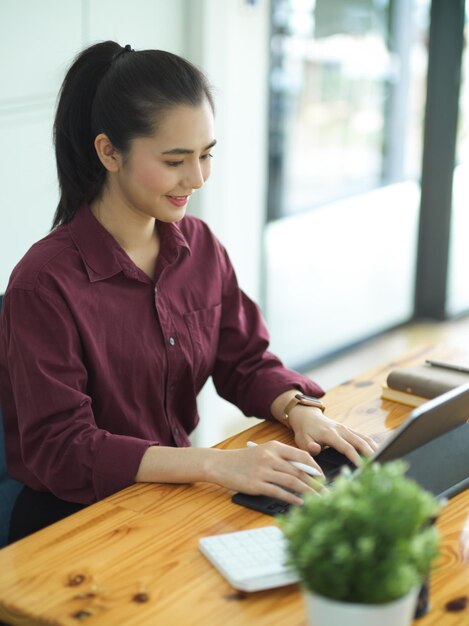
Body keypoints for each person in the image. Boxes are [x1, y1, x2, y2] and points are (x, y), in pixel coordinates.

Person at [0, 41, 376, 543]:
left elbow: (243, 360)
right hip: (72, 523)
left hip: (169, 498)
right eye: (176, 160)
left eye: (205, 155)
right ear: (109, 151)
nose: (196, 178)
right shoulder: (43, 284)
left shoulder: (198, 247)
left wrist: (297, 409)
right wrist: (218, 465)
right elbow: (62, 449)